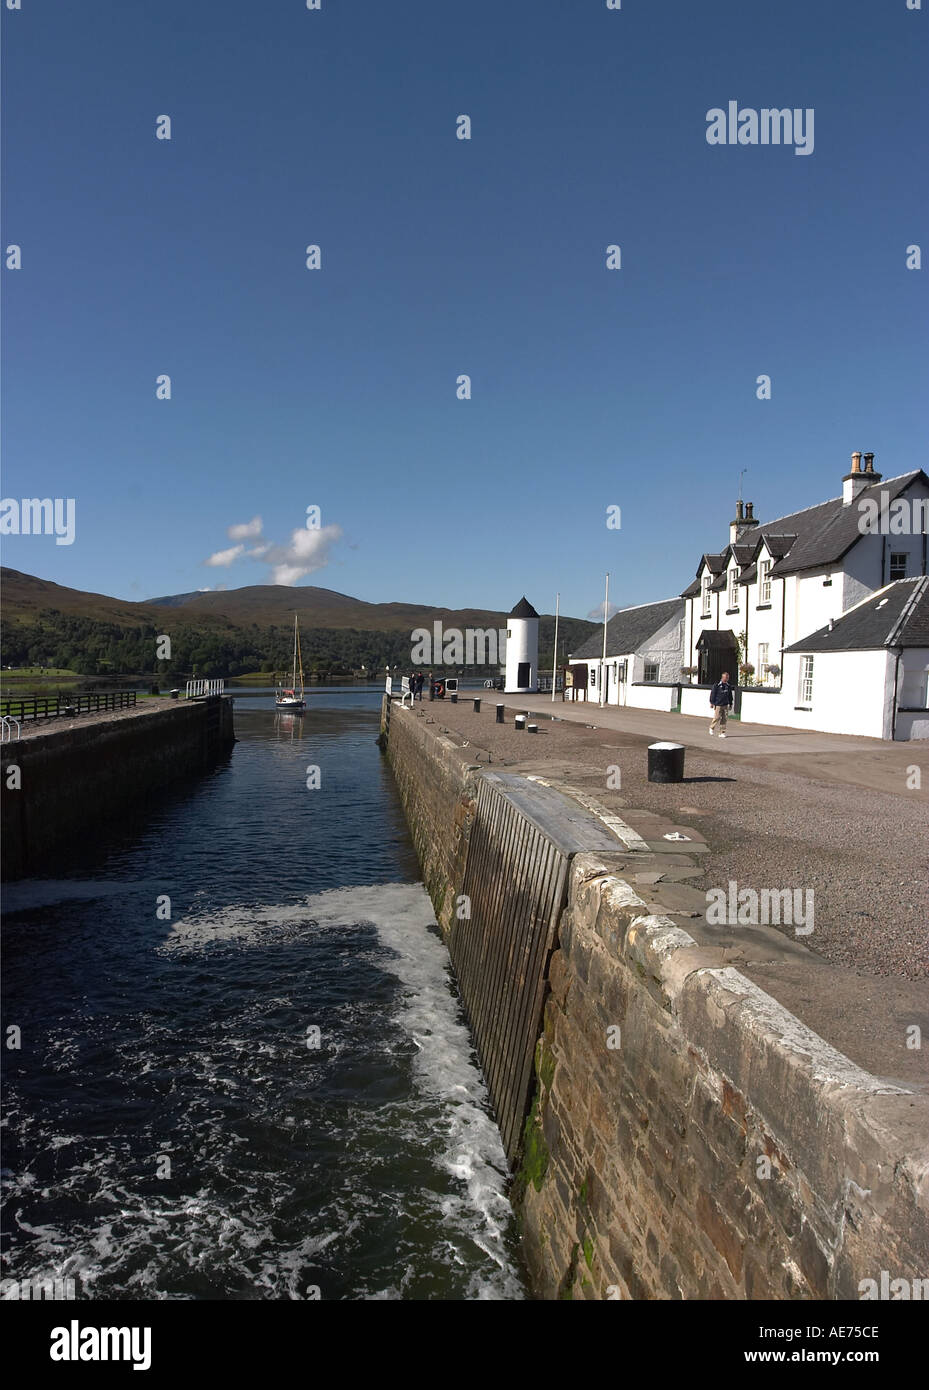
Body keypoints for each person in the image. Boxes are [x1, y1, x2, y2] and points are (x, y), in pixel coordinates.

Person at [709, 671, 734, 737]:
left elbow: (730, 696)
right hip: (718, 704)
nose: (727, 679)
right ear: (722, 677)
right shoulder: (717, 685)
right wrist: (712, 702)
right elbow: (713, 694)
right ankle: (711, 728)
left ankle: (722, 732)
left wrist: (731, 704)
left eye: (728, 678)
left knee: (724, 719)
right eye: (726, 678)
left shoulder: (728, 686)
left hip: (725, 704)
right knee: (717, 717)